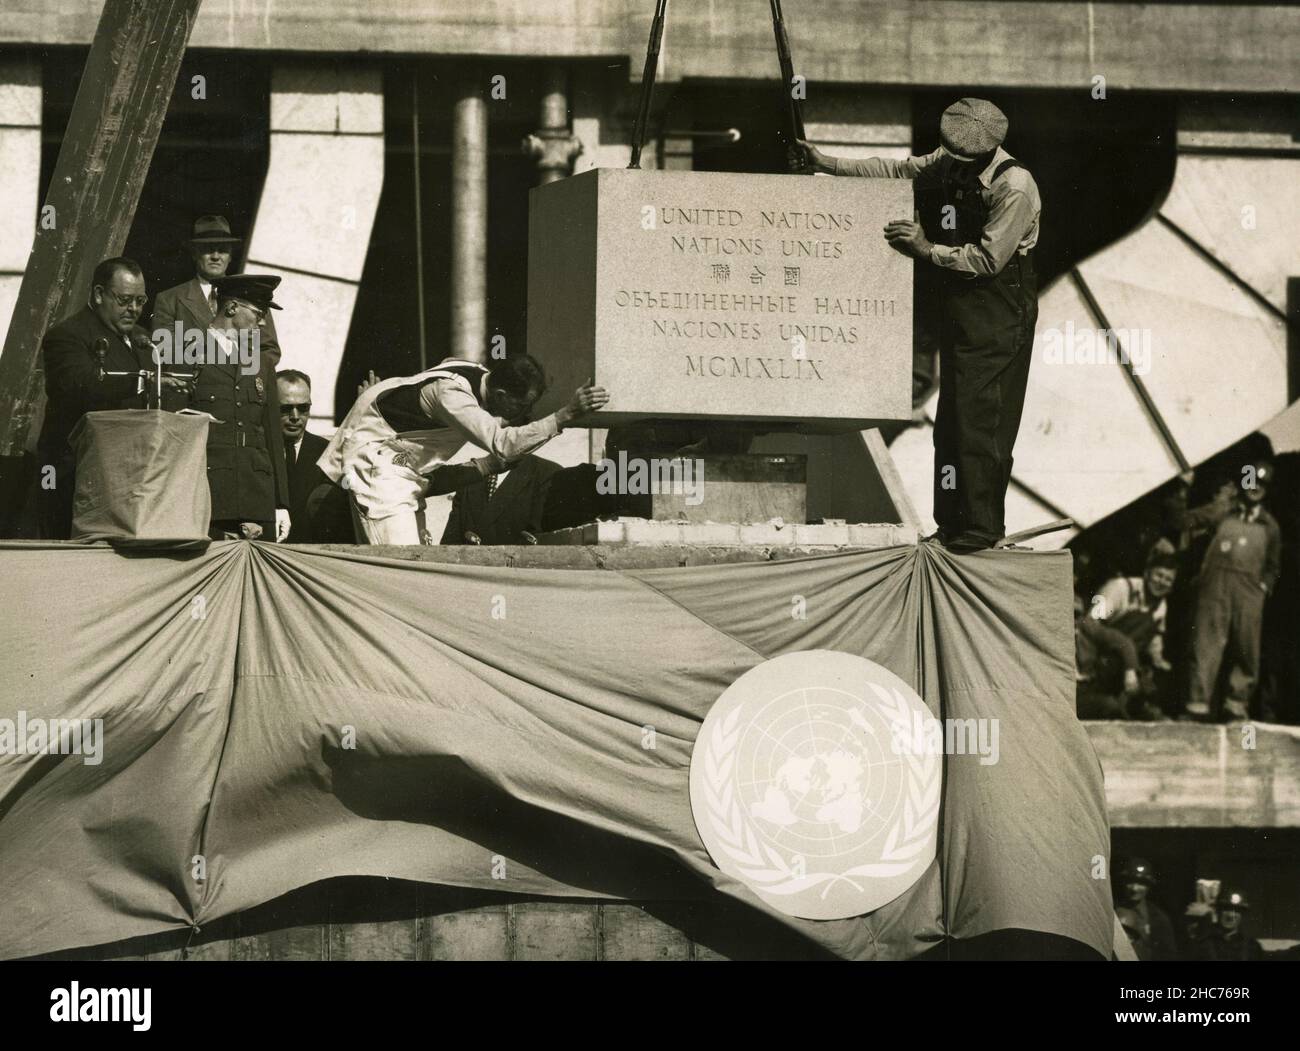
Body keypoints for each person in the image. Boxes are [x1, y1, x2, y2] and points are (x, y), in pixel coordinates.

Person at [795, 98, 1040, 554]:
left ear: (989, 151)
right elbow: (894, 169)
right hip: (966, 305)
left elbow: (987, 260)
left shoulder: (1015, 187)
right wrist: (825, 162)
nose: (955, 168)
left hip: (1000, 306)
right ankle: (951, 526)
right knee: (950, 422)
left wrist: (925, 247)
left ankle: (980, 531)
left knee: (980, 419)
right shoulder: (951, 159)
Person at [318, 354, 608, 544]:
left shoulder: (477, 374)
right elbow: (504, 444)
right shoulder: (452, 394)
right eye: (522, 407)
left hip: (399, 471)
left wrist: (488, 465)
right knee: (404, 571)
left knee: (417, 567)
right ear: (500, 394)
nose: (525, 414)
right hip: (377, 471)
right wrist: (564, 415)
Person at [36, 257, 158, 539]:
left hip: (130, 478)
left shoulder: (143, 339)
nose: (134, 309)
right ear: (99, 294)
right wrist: (143, 381)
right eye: (125, 300)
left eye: (141, 301)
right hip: (77, 477)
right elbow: (79, 385)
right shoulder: (66, 336)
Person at [185, 275, 291, 541]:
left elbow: (271, 436)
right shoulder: (188, 352)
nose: (263, 322)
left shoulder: (260, 362)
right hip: (209, 499)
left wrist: (281, 503)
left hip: (257, 500)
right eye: (259, 313)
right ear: (232, 308)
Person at [1186, 462, 1281, 721]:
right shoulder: (1225, 512)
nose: (1255, 489)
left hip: (1249, 591)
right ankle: (1197, 703)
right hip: (1215, 586)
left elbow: (1273, 566)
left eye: (1261, 484)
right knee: (1206, 643)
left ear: (1266, 489)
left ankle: (1236, 703)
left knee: (1246, 647)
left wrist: (1263, 587)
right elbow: (1191, 520)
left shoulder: (1269, 526)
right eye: (1251, 482)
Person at [152, 215, 281, 369]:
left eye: (223, 250)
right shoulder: (170, 299)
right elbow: (163, 350)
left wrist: (238, 373)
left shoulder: (252, 297)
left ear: (231, 256)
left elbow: (269, 350)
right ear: (194, 254)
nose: (215, 256)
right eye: (208, 250)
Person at [277, 369, 352, 543]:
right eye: (286, 409)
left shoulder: (329, 453)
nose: (295, 417)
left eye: (303, 408)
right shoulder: (257, 451)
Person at [1114, 857, 1178, 961]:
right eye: (1130, 882)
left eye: (1141, 883)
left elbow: (1168, 955)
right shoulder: (1111, 911)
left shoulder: (1158, 918)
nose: (1135, 888)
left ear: (1149, 886)